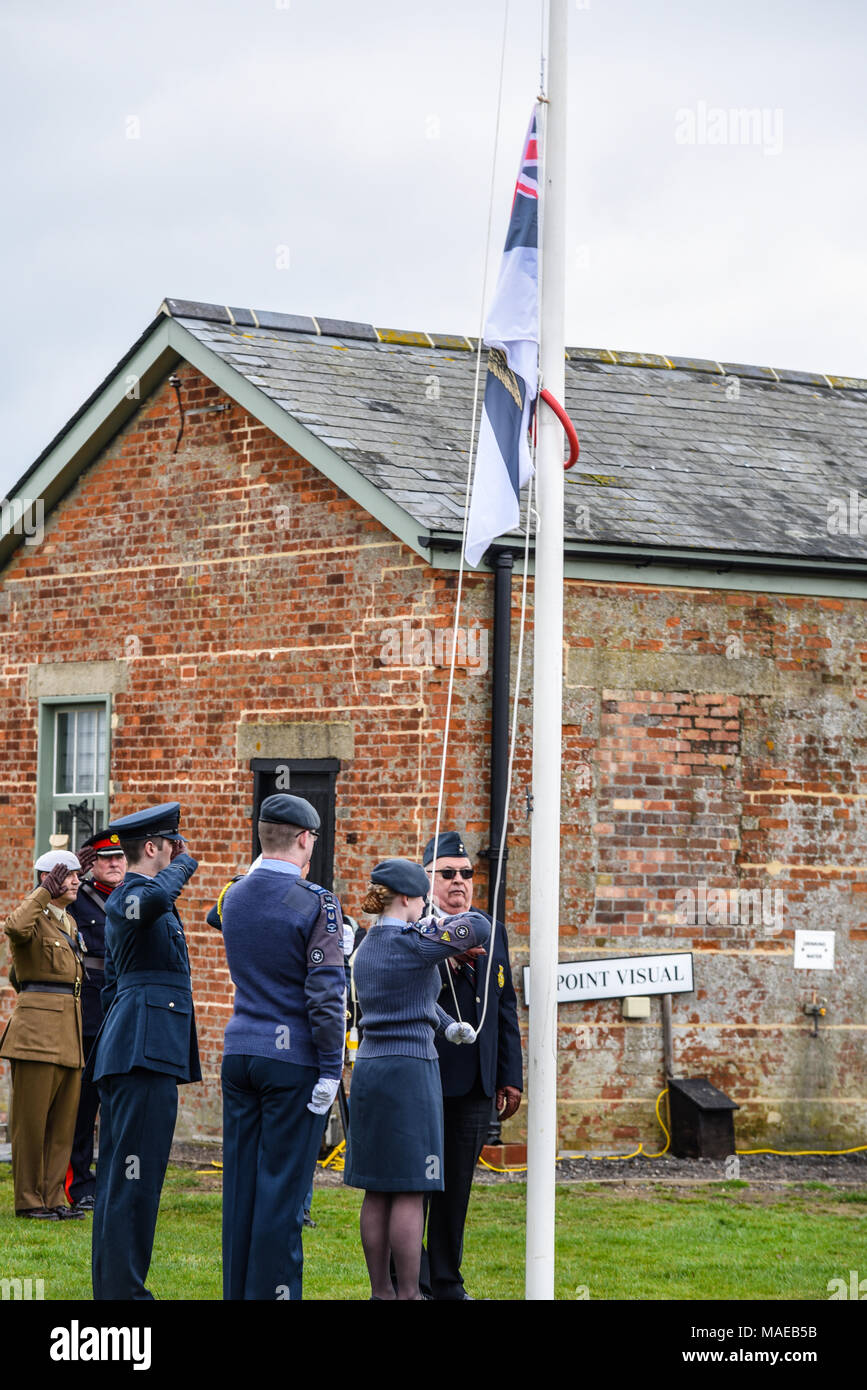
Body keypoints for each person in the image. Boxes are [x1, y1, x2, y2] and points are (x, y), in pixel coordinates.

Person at [214, 794, 347, 1300]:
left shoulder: (235, 895)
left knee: (241, 1189)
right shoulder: (316, 901)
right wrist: (331, 1069)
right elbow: (326, 996)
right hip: (292, 1059)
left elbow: (229, 909)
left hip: (241, 1048)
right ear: (306, 838)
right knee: (283, 1193)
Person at [344, 857, 490, 1301]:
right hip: (411, 1069)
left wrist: (448, 1026)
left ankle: (381, 1292)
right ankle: (409, 1293)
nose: (428, 902)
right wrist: (438, 928)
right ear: (407, 897)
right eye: (423, 896)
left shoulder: (366, 947)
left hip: (371, 1069)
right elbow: (480, 927)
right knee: (410, 1187)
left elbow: (410, 1000)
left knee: (377, 1188)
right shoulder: (414, 941)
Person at [89, 803, 199, 1300]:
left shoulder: (145, 899)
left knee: (128, 1178)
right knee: (131, 1179)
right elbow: (151, 898)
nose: (179, 851)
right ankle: (124, 1294)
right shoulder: (131, 896)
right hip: (141, 1053)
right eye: (170, 844)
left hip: (139, 1049)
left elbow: (114, 984)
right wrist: (184, 863)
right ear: (153, 848)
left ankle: (117, 1288)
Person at [423, 830, 523, 1301]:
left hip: (476, 1080)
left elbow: (504, 1006)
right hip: (425, 1073)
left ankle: (446, 1280)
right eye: (447, 873)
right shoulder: (414, 927)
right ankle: (409, 1275)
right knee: (415, 1183)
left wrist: (509, 1076)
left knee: (457, 1185)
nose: (459, 881)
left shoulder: (491, 928)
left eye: (465, 873)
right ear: (428, 880)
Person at [0, 850, 86, 1220]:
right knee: (30, 1125)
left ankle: (53, 1196)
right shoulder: (32, 918)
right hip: (36, 1036)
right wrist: (41, 893)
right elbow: (15, 928)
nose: (76, 881)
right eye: (68, 876)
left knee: (62, 1124)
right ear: (48, 879)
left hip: (69, 1032)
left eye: (78, 875)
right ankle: (28, 1199)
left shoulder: (68, 923)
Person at [65, 829, 127, 1211]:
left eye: (120, 857)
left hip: (123, 1015)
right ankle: (80, 1183)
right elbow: (42, 910)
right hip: (89, 1015)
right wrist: (70, 865)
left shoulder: (136, 897)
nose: (115, 863)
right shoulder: (77, 901)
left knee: (120, 1105)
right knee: (83, 1106)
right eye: (106, 859)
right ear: (93, 865)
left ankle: (113, 1181)